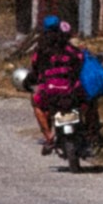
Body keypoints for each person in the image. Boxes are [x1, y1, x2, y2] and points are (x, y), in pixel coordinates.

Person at [23, 9, 82, 155]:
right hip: (69, 90)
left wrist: (28, 83)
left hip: (49, 91)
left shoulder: (41, 50)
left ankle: (49, 136)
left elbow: (35, 71)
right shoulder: (69, 49)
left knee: (37, 105)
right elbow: (80, 62)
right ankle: (88, 132)